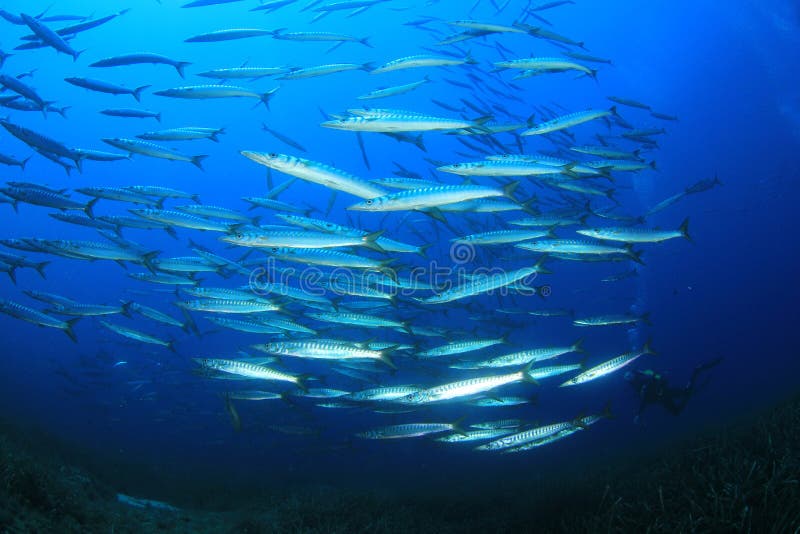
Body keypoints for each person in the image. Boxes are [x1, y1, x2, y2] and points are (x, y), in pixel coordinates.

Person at [625, 357, 722, 422]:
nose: (629, 378)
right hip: (662, 399)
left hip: (666, 393)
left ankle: (696, 371)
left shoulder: (643, 379)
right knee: (677, 411)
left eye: (629, 376)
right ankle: (691, 391)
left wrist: (639, 413)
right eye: (628, 378)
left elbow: (656, 380)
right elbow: (644, 400)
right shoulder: (637, 386)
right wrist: (638, 414)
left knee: (686, 394)